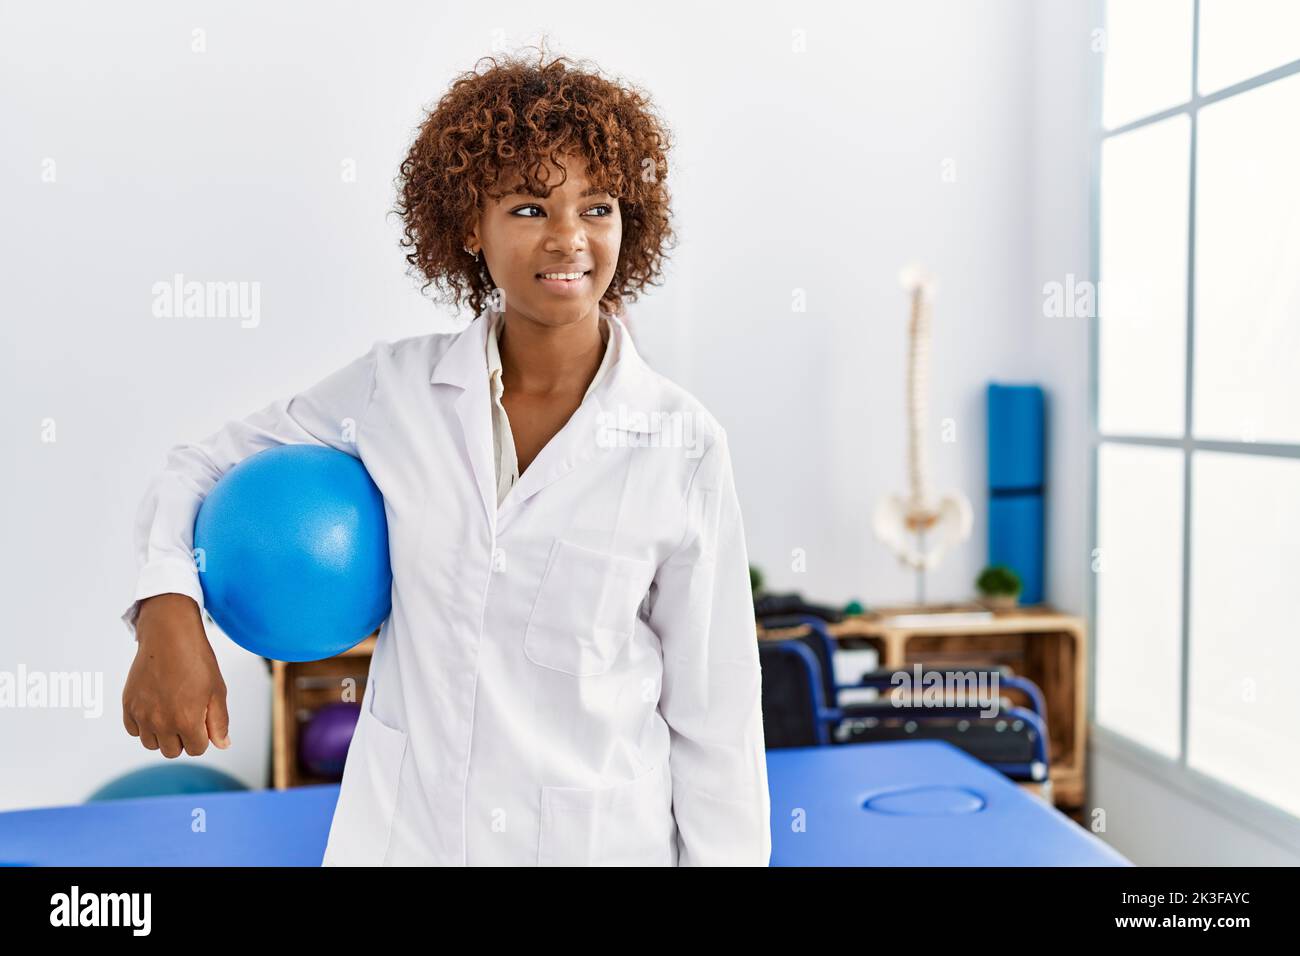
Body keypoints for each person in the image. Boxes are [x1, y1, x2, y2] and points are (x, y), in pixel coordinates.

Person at [120, 45, 770, 866]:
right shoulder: (395, 391)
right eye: (530, 208)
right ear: (471, 225)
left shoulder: (683, 442)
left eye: (597, 207)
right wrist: (167, 611)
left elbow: (715, 713)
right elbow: (200, 466)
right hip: (407, 839)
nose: (569, 238)